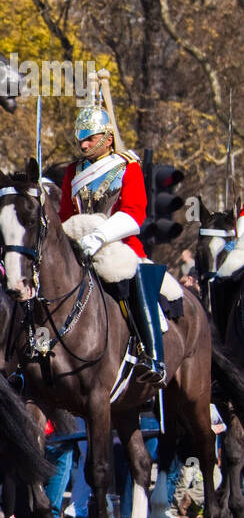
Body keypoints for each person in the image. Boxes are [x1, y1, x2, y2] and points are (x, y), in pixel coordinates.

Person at [59, 81, 165, 384]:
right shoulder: (73, 172)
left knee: (129, 279)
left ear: (107, 138)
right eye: (80, 138)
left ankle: (151, 355)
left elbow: (134, 214)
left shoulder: (126, 167)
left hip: (119, 245)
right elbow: (66, 214)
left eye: (89, 138)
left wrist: (100, 235)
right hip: (81, 247)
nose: (83, 145)